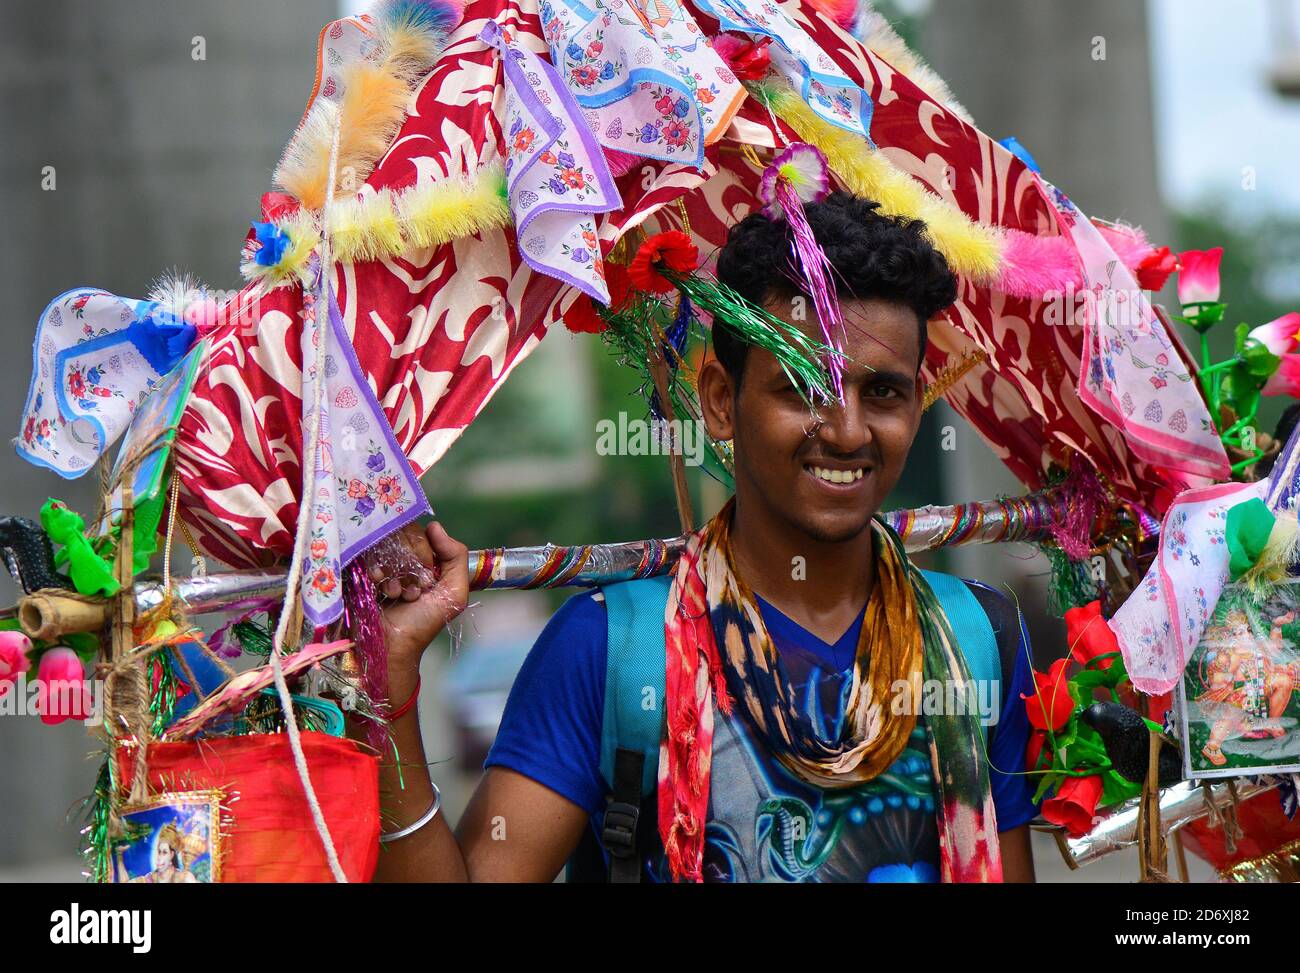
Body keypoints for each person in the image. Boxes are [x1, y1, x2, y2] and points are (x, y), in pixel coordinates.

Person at [370, 193, 1039, 882]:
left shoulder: (975, 638)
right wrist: (391, 686)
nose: (846, 431)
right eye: (805, 388)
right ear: (721, 399)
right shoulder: (612, 652)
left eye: (884, 393)